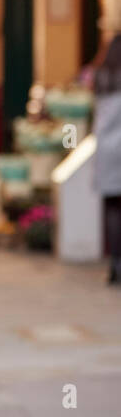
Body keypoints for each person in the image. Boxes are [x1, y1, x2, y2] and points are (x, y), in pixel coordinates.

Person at [94, 33, 121, 285]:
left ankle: (115, 264)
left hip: (107, 148)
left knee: (112, 207)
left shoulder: (101, 76)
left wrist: (68, 142)